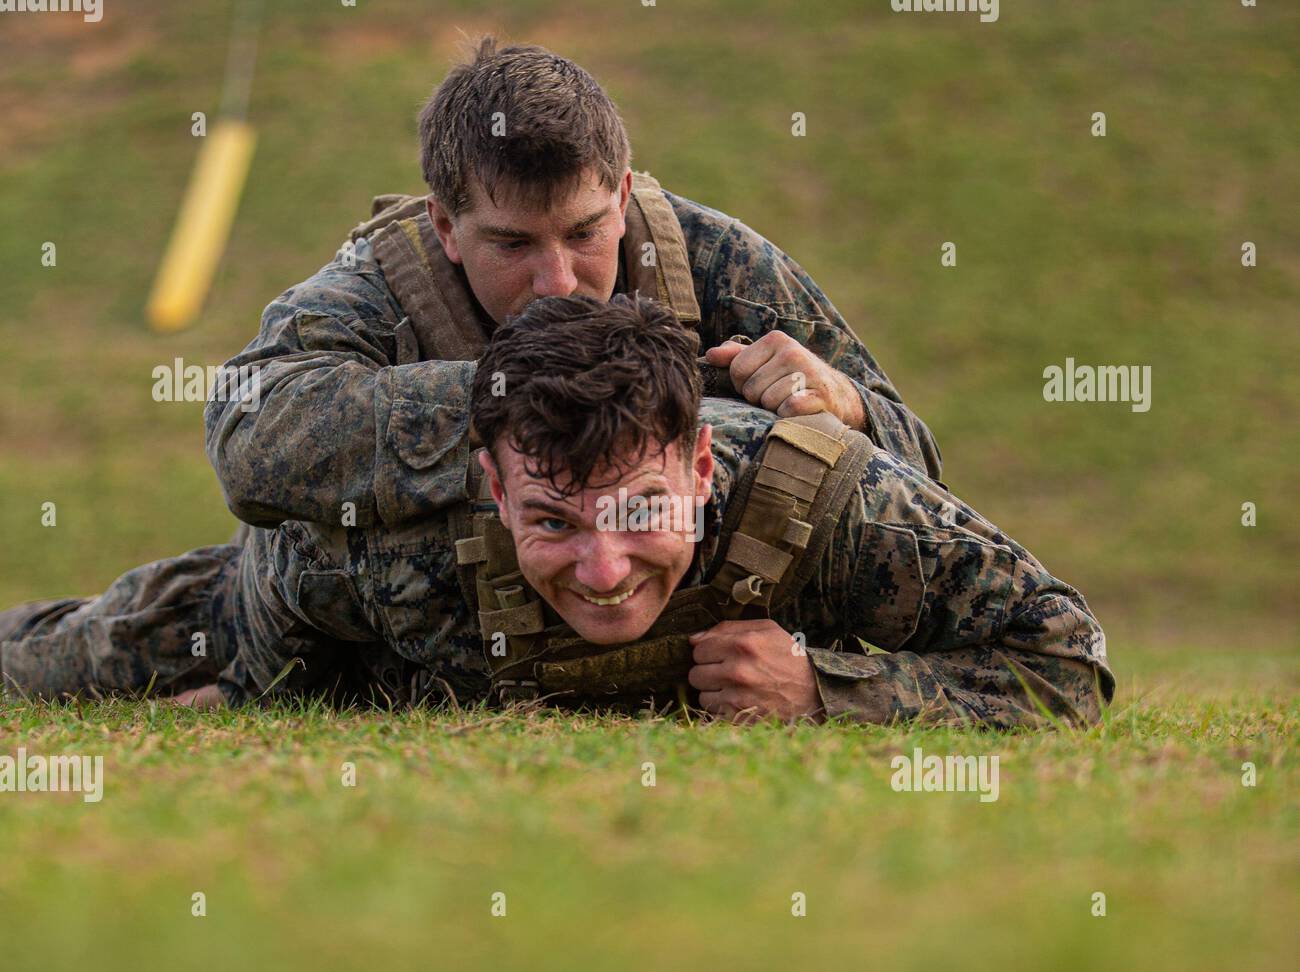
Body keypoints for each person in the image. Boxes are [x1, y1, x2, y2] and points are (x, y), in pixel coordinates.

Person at [2, 296, 1113, 727]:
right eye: (551, 522)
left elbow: (1068, 658)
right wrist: (247, 692)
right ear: (489, 490)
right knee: (59, 665)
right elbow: (275, 609)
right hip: (254, 598)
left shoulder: (833, 505)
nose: (600, 568)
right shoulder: (382, 555)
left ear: (697, 469)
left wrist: (829, 690)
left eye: (639, 511)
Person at [204, 35, 942, 542]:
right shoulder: (387, 279)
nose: (558, 280)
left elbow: (924, 480)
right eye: (513, 244)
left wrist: (846, 405)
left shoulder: (714, 260)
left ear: (621, 198)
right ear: (445, 226)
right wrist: (526, 397)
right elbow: (251, 431)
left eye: (585, 233)